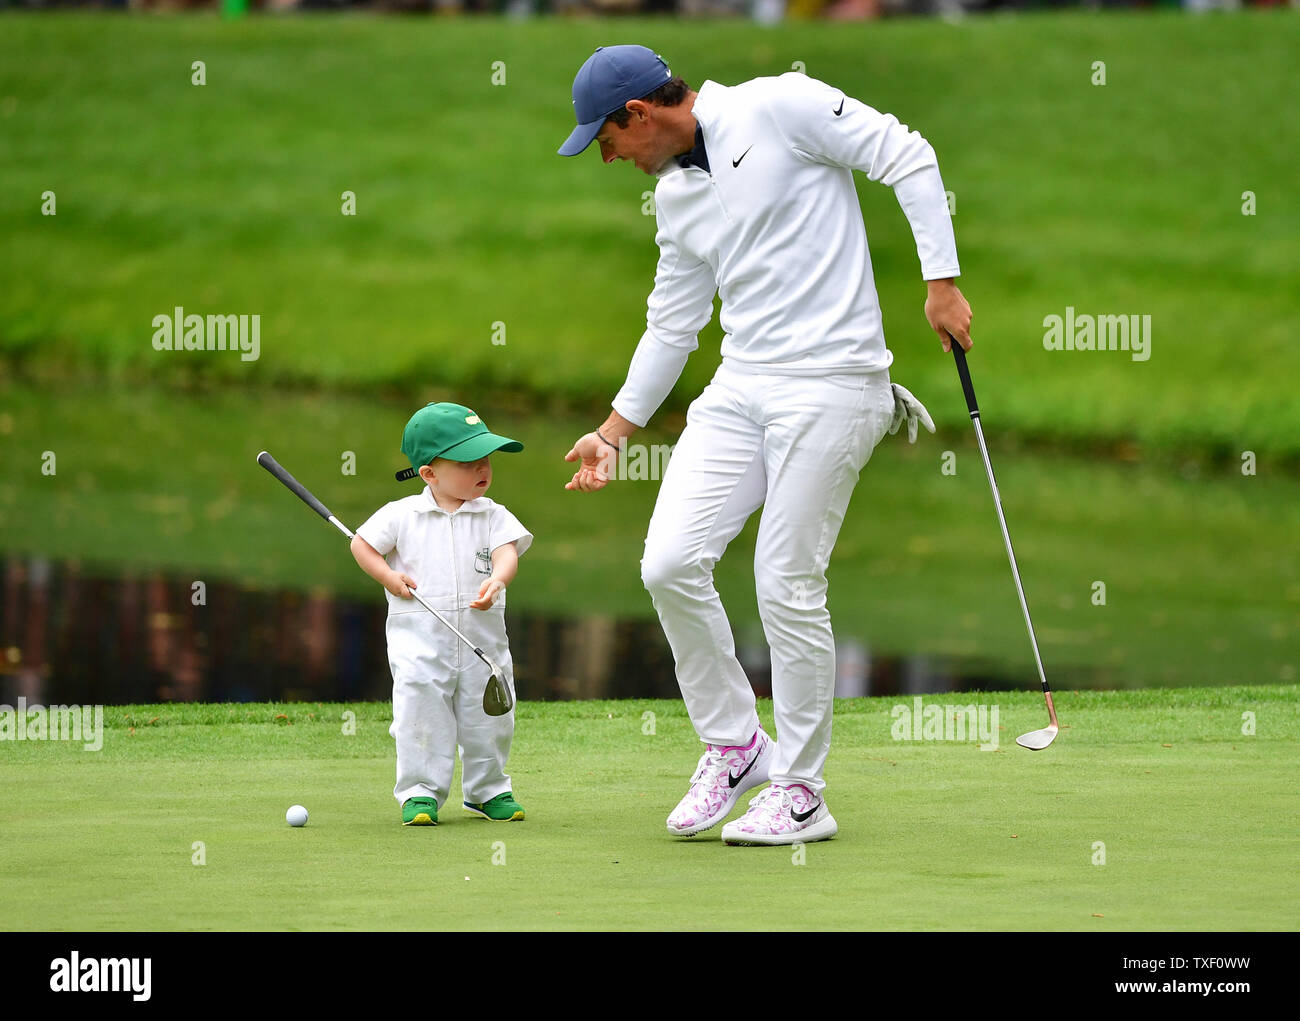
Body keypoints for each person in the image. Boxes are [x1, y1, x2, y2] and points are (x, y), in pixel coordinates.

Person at [557, 45, 972, 846]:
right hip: (743, 384)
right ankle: (738, 746)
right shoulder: (675, 194)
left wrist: (940, 280)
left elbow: (908, 156)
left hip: (836, 381)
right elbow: (674, 322)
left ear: (639, 115)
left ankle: (803, 790)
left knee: (786, 580)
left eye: (607, 140)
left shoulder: (780, 105)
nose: (609, 158)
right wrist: (613, 431)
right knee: (668, 561)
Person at [350, 402, 532, 826]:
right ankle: (419, 793)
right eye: (468, 462)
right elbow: (362, 545)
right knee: (421, 717)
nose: (482, 468)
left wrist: (499, 580)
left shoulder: (493, 514)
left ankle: (488, 791)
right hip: (419, 643)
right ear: (429, 473)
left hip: (482, 645)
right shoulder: (402, 515)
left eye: (486, 459)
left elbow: (507, 553)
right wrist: (388, 577)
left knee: (490, 720)